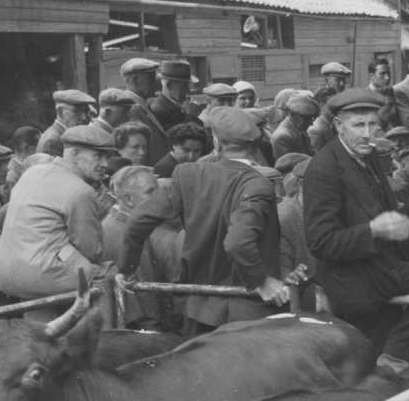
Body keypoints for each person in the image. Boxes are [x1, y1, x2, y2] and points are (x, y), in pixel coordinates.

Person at [303, 88, 409, 366]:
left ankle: (394, 357)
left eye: (373, 125)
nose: (368, 134)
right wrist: (373, 231)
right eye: (358, 125)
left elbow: (388, 214)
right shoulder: (323, 169)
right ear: (338, 126)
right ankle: (397, 356)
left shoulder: (366, 156)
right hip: (354, 281)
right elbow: (320, 242)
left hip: (380, 268)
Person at [122, 107, 293, 336]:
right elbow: (237, 243)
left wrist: (127, 270)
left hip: (199, 310)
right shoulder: (258, 184)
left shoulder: (188, 175)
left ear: (216, 141)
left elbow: (137, 221)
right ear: (253, 146)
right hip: (246, 316)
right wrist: (262, 281)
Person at [0, 125, 117, 304]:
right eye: (98, 156)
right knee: (111, 270)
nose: (105, 164)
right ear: (74, 154)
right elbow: (91, 252)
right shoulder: (81, 191)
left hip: (2, 272)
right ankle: (108, 331)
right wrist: (98, 217)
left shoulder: (33, 172)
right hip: (41, 278)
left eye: (107, 157)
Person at [102, 166, 183, 331]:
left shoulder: (103, 225)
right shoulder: (139, 238)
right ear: (129, 199)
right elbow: (149, 304)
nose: (160, 198)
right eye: (151, 192)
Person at [278, 158, 329, 315]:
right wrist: (290, 278)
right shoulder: (284, 219)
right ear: (300, 185)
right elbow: (283, 272)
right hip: (304, 317)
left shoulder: (333, 212)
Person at [122, 58, 168, 165]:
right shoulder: (131, 108)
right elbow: (136, 148)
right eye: (151, 78)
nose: (156, 82)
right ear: (135, 81)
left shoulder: (142, 105)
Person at [151, 60, 204, 133]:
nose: (188, 91)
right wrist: (191, 115)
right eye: (184, 86)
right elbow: (177, 140)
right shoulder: (157, 112)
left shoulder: (179, 105)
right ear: (169, 86)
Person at [271, 94, 320, 160]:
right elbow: (286, 167)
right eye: (307, 119)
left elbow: (312, 154)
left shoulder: (300, 130)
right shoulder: (283, 137)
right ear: (293, 115)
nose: (311, 123)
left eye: (312, 118)